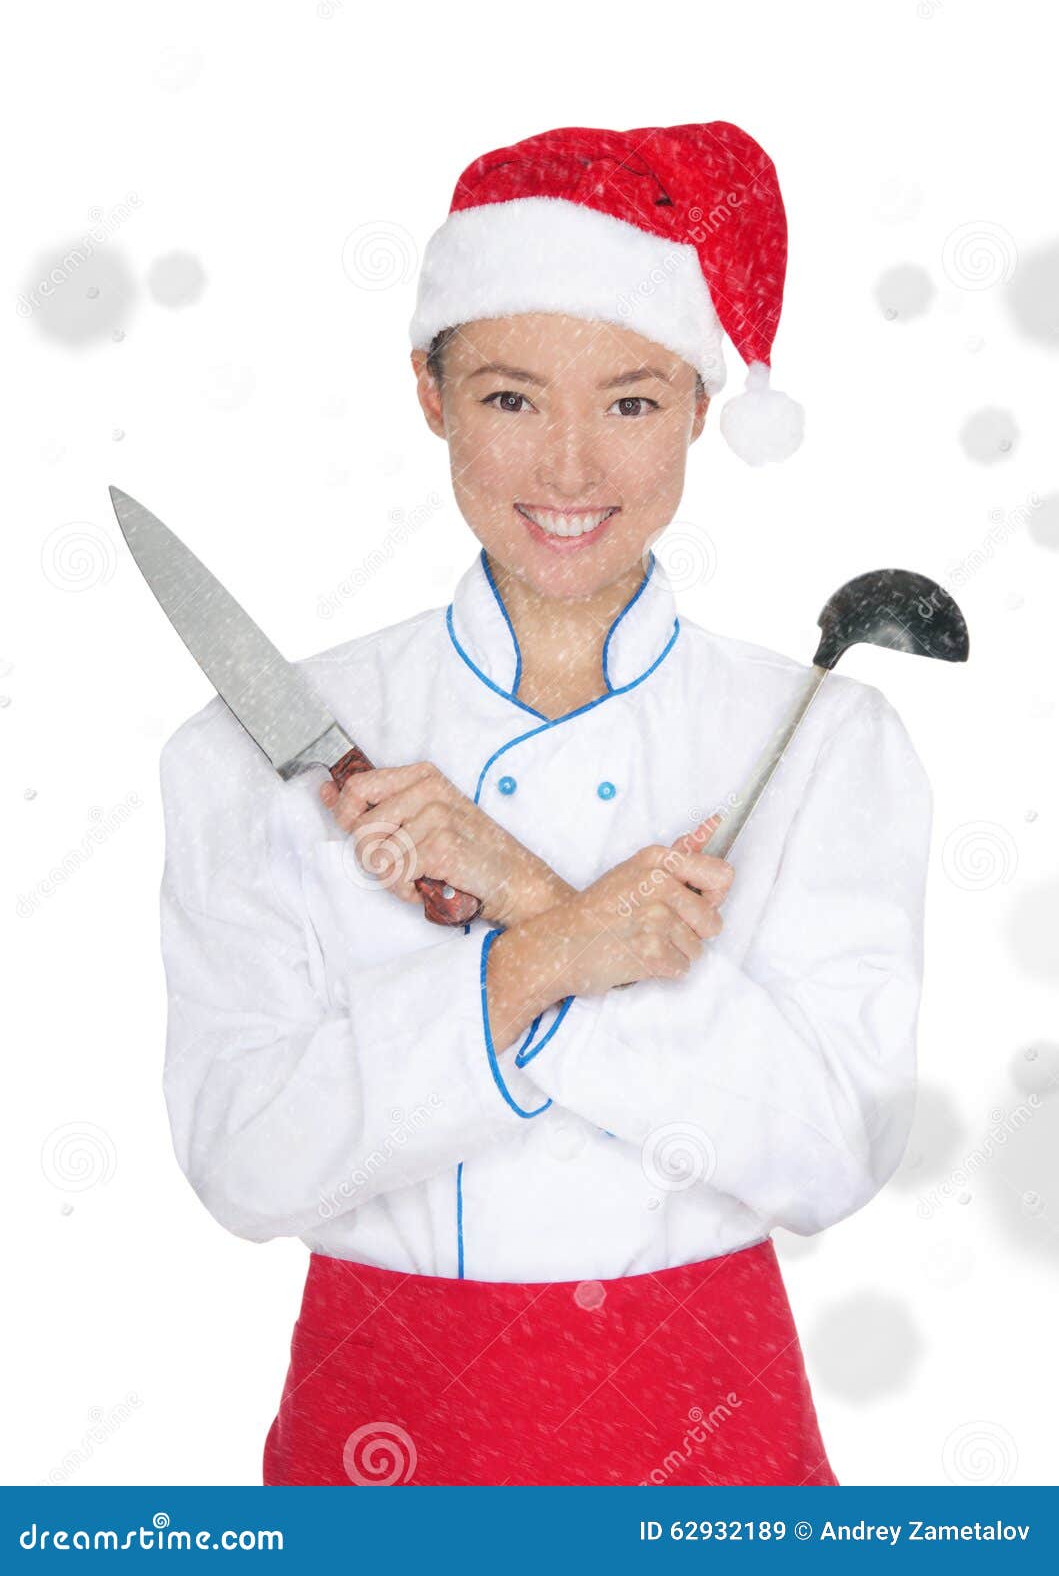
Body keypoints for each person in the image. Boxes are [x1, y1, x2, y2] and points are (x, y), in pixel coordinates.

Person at [157, 121, 932, 1487]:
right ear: (429, 393)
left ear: (702, 403)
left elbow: (827, 1157)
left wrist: (520, 889)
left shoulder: (822, 742)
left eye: (631, 401)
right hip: (382, 1422)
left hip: (706, 1420)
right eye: (514, 398)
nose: (570, 468)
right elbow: (245, 1164)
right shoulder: (248, 753)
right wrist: (549, 957)